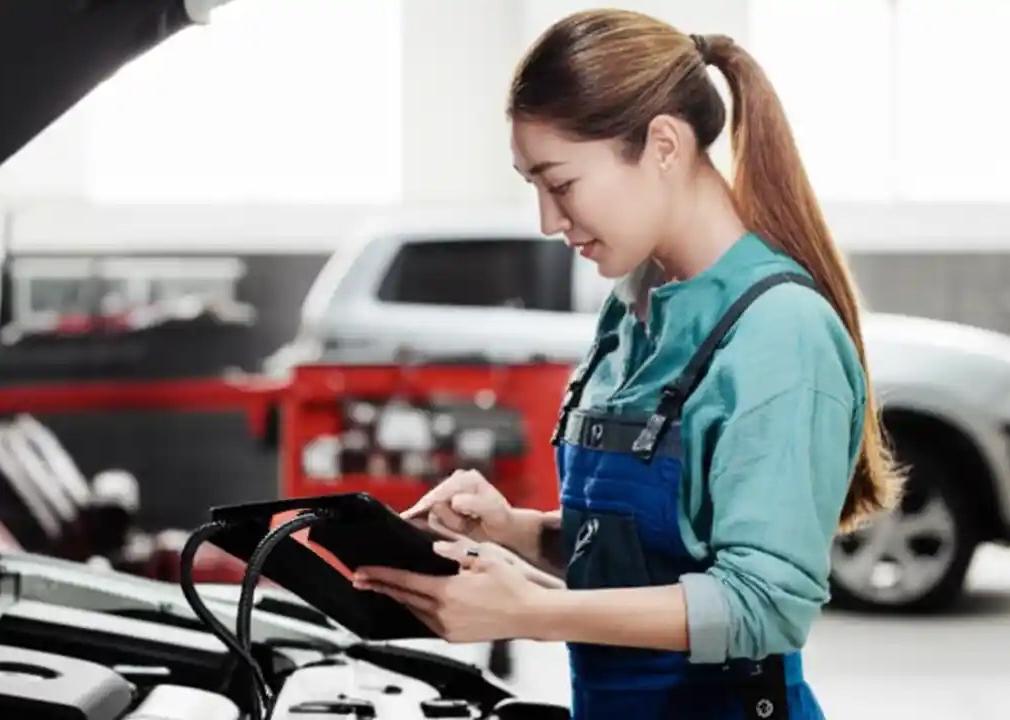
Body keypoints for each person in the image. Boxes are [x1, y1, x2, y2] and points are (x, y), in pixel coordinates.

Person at [350, 8, 905, 720]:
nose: (548, 220)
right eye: (533, 188)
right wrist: (511, 531)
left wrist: (531, 612)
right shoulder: (633, 308)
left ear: (664, 145)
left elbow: (764, 607)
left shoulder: (780, 332)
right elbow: (647, 555)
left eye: (561, 183)